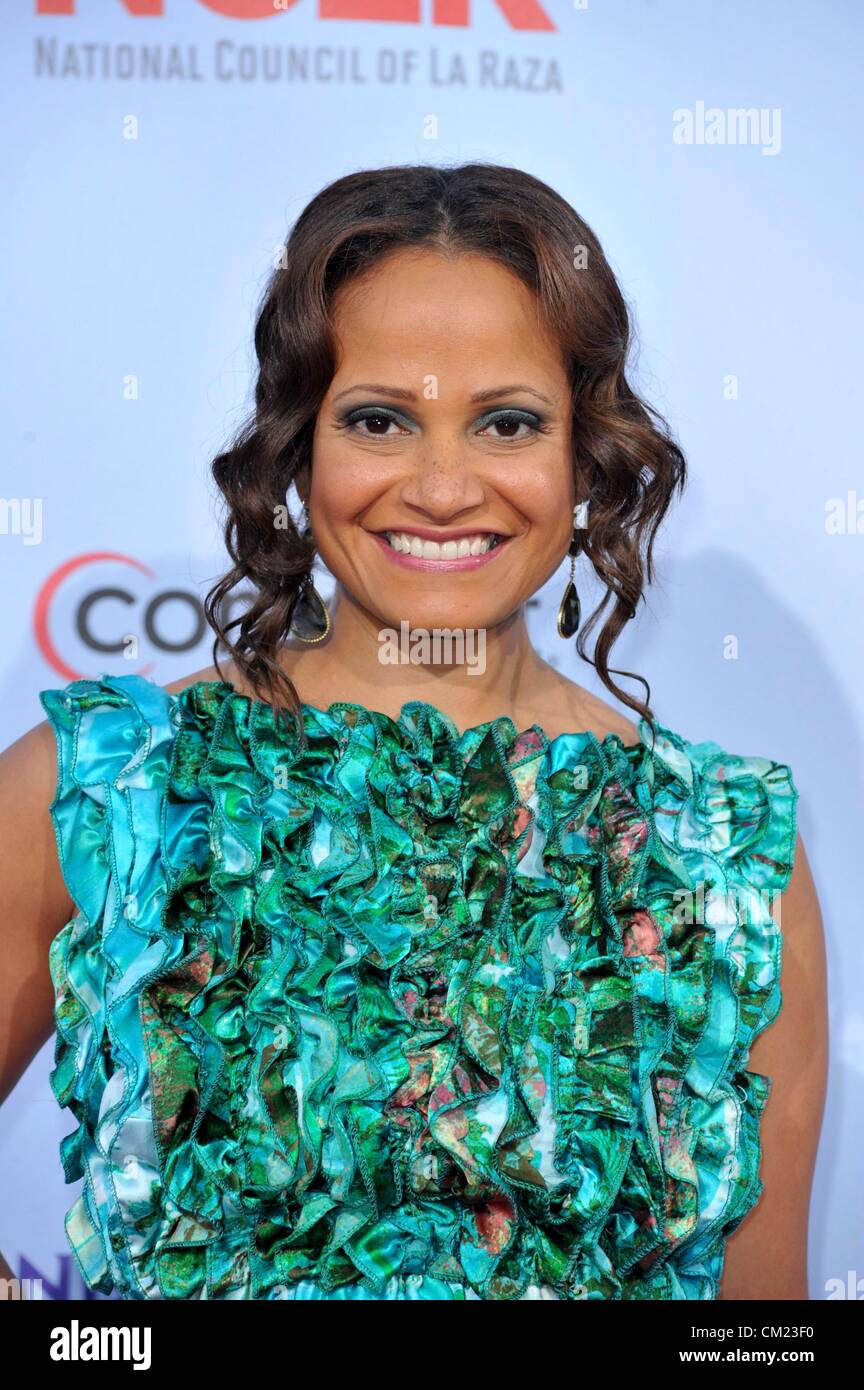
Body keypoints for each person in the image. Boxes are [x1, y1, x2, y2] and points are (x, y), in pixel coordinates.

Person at [0, 163, 827, 1301]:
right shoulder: (111, 790)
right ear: (298, 449)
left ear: (584, 459)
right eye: (381, 419)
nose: (443, 488)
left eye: (506, 421)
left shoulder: (723, 858)